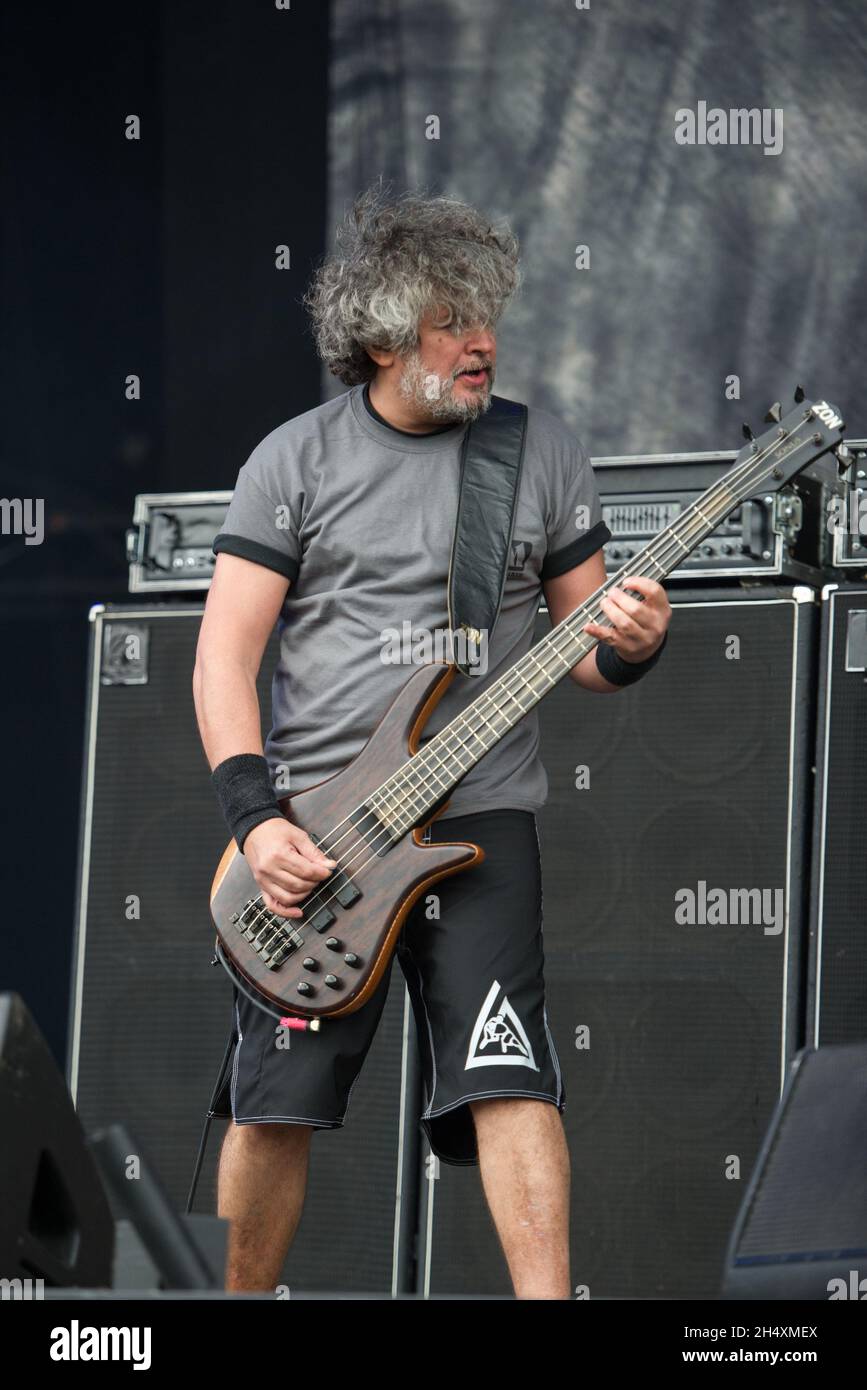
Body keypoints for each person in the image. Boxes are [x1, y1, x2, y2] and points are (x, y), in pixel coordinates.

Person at [192, 185, 671, 1299]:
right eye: (451, 323)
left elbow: (587, 651)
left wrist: (636, 643)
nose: (481, 342)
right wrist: (255, 822)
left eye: (487, 317)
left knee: (513, 1082)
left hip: (482, 819)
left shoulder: (538, 453)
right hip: (321, 834)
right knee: (272, 1106)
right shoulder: (292, 461)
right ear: (379, 339)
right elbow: (224, 659)